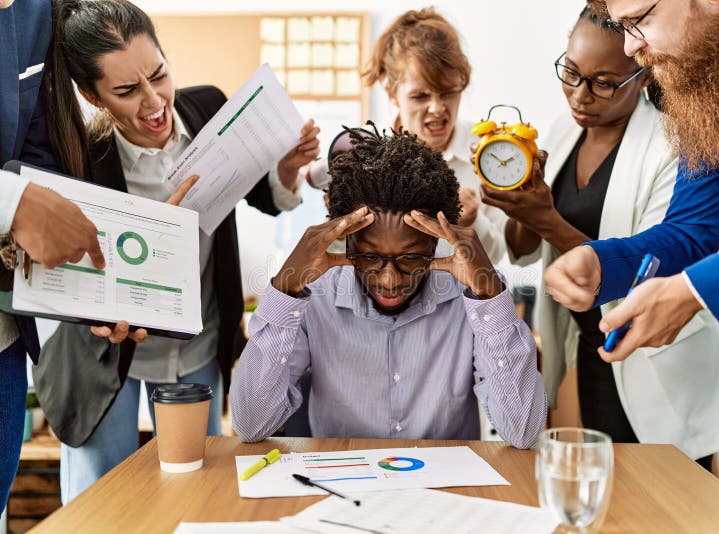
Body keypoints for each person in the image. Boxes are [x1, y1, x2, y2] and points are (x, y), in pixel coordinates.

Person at [34, 0, 320, 503]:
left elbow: (261, 195)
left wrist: (287, 170)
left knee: (195, 490)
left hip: (197, 344)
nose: (153, 102)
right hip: (104, 352)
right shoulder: (78, 153)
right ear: (92, 95)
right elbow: (60, 260)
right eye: (126, 91)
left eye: (159, 75)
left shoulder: (207, 107)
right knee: (102, 500)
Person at [479, 7, 719, 466]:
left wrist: (546, 218)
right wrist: (523, 205)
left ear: (644, 75)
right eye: (571, 72)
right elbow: (524, 251)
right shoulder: (564, 130)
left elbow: (655, 265)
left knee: (672, 496)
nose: (580, 95)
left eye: (603, 82)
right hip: (592, 347)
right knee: (607, 490)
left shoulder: (675, 141)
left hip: (660, 356)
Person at [230, 129, 547, 449]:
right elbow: (252, 424)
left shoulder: (474, 293)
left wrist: (490, 295)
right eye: (369, 257)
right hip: (343, 477)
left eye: (410, 258)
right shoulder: (314, 294)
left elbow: (522, 432)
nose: (390, 280)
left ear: (435, 241)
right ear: (347, 239)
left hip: (444, 478)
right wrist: (285, 289)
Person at [544, 0, 719, 363]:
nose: (629, 46)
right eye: (623, 27)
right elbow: (691, 231)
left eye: (638, 20)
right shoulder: (708, 80)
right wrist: (601, 263)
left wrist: (695, 291)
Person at [0, 0, 133, 511]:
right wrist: (10, 201)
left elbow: (36, 156)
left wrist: (91, 292)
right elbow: (20, 196)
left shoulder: (36, 12)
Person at [358, 8, 508, 263]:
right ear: (393, 93)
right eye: (420, 96)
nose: (437, 108)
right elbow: (342, 251)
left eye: (448, 92)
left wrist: (471, 224)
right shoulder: (364, 154)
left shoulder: (486, 151)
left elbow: (496, 256)